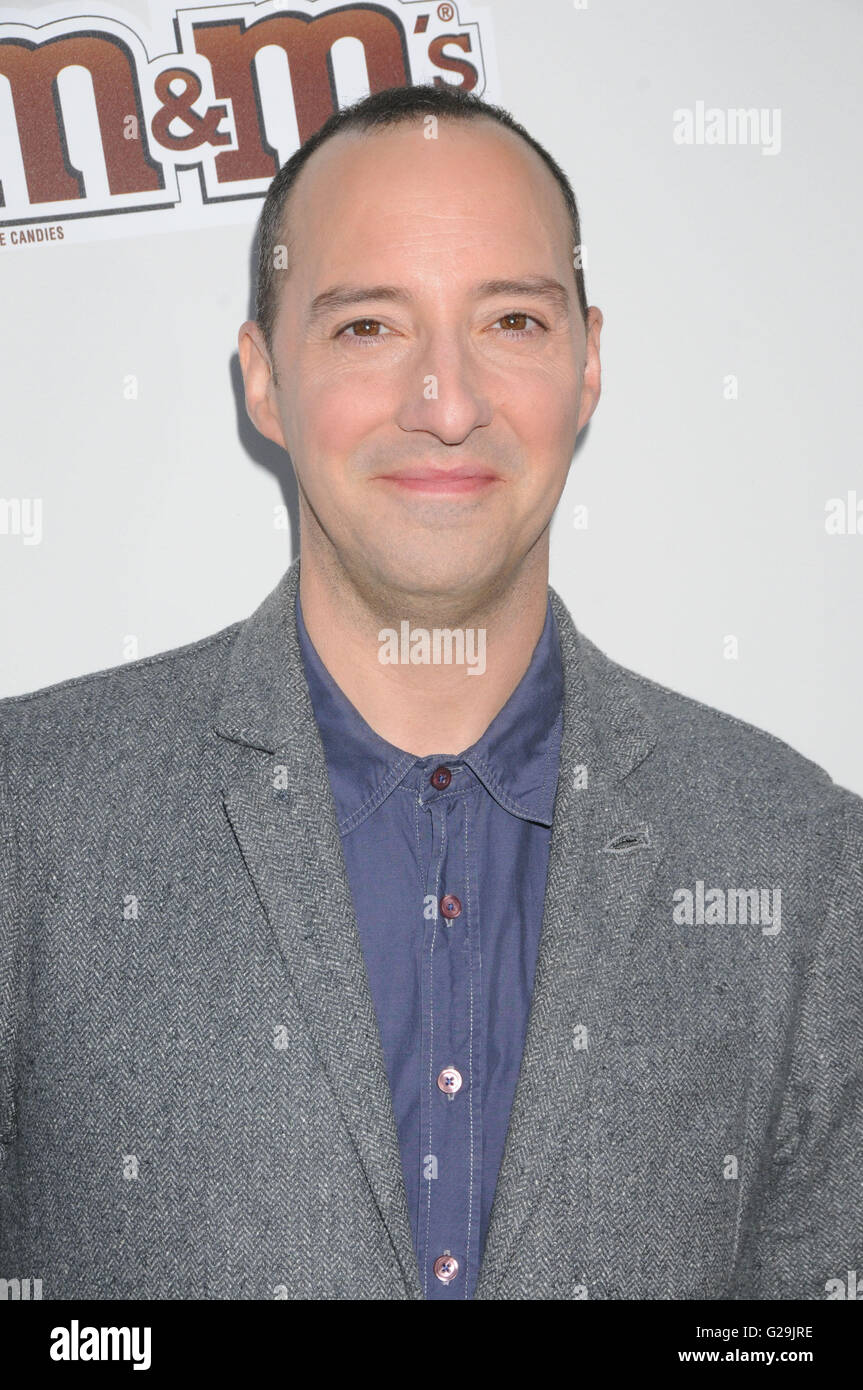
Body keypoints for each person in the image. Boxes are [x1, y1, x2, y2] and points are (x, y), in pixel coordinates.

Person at [0, 84, 860, 1301]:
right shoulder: (28, 817)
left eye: (510, 320)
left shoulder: (802, 863)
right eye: (366, 328)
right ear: (261, 380)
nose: (446, 404)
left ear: (586, 363)